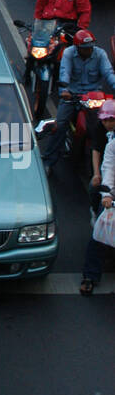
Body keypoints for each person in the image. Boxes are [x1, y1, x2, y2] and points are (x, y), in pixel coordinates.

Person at [44, 29, 115, 174]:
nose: (89, 51)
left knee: (106, 124)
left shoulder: (100, 54)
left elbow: (108, 73)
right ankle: (49, 160)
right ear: (77, 48)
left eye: (90, 48)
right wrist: (64, 90)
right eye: (85, 49)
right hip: (72, 95)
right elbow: (65, 72)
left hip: (93, 96)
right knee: (60, 124)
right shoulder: (69, 54)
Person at [80, 100, 115, 293]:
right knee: (99, 236)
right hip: (112, 195)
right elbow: (108, 168)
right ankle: (90, 276)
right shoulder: (111, 146)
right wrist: (107, 194)